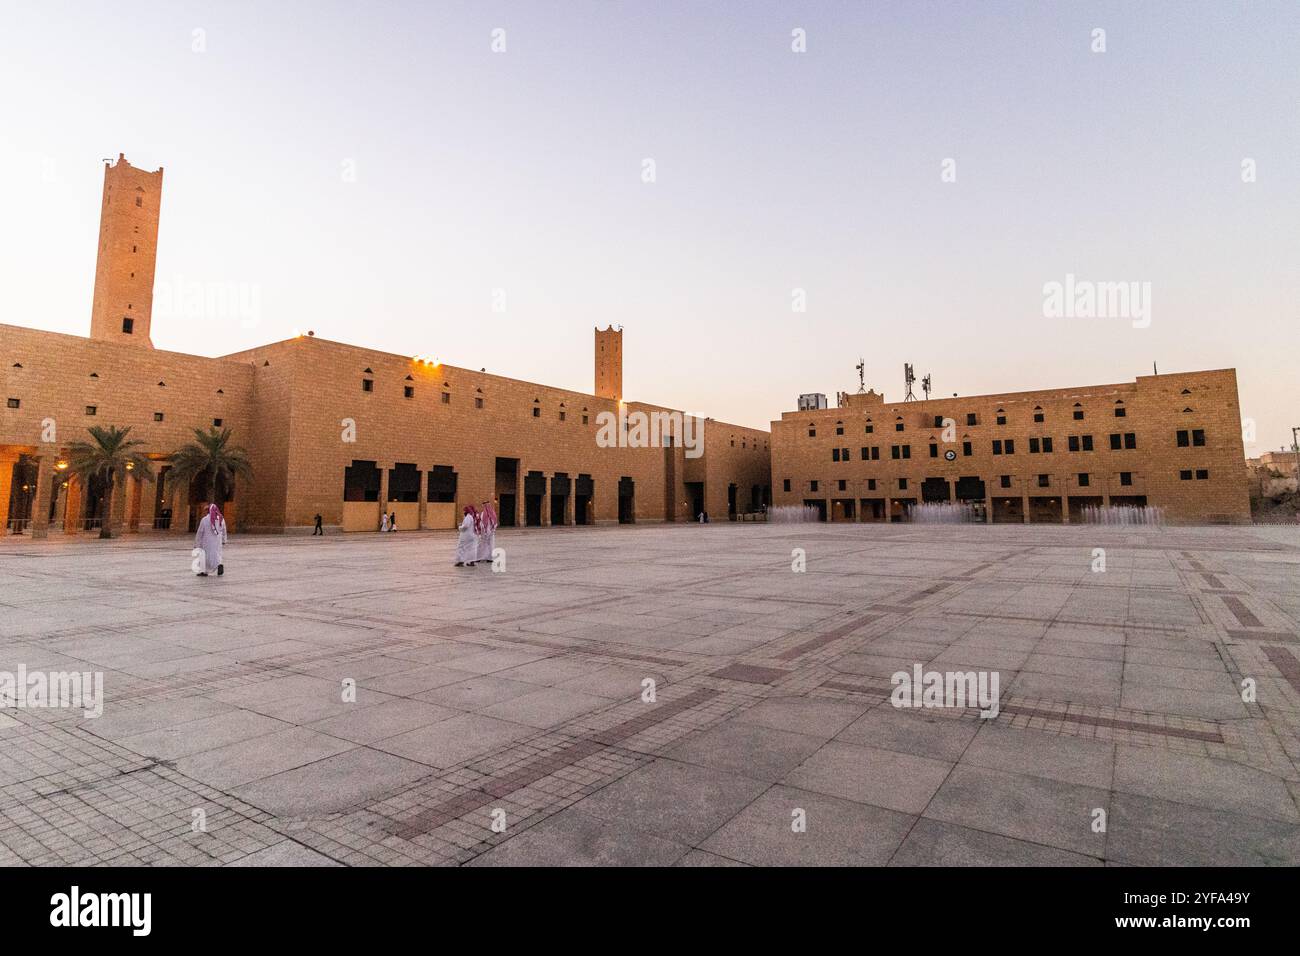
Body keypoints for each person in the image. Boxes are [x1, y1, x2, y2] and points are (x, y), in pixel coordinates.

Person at [195, 502, 227, 577]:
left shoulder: (205, 520)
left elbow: (200, 532)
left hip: (206, 542)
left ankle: (204, 571)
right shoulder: (221, 519)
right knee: (217, 554)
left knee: (205, 556)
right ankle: (219, 565)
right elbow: (224, 530)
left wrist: (197, 543)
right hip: (217, 542)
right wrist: (224, 540)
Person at [476, 499, 498, 565]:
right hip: (491, 532)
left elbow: (481, 523)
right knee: (490, 544)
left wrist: (482, 531)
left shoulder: (483, 514)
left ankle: (480, 558)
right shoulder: (493, 513)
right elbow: (495, 523)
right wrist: (493, 530)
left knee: (482, 545)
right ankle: (490, 558)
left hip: (485, 533)